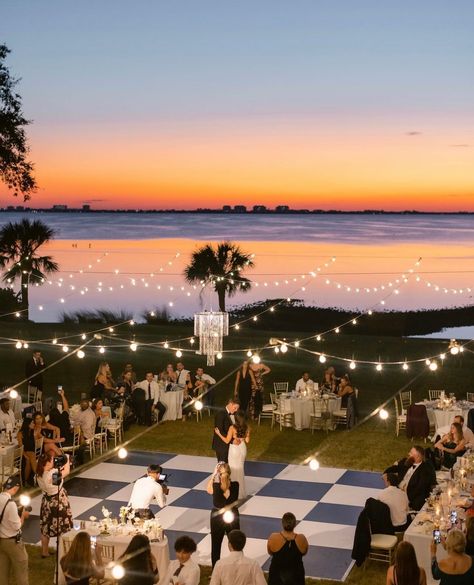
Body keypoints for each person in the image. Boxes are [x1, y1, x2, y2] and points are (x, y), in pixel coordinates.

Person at [36, 452, 73, 557]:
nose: (54, 461)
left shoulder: (39, 473)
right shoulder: (53, 473)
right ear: (47, 463)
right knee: (62, 527)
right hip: (58, 501)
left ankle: (44, 552)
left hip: (46, 502)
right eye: (52, 460)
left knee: (45, 528)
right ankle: (63, 552)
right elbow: (66, 472)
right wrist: (66, 459)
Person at [207, 462, 240, 567]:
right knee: (236, 544)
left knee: (216, 545)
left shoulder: (215, 486)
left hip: (217, 517)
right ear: (230, 473)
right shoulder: (236, 485)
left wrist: (213, 475)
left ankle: (215, 571)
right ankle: (237, 567)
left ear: (219, 474)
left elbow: (208, 490)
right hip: (233, 515)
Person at [0, 475, 30, 585]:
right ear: (15, 488)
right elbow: (17, 526)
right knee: (21, 572)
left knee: (2, 573)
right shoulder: (11, 504)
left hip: (1, 541)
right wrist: (23, 515)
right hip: (13, 542)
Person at [214, 410, 250, 498]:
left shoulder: (232, 428)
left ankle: (233, 492)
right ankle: (241, 492)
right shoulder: (247, 427)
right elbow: (247, 441)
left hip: (234, 450)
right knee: (240, 469)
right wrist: (243, 438)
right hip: (242, 448)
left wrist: (219, 434)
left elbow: (227, 441)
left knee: (233, 470)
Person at [267, 512, 308, 585]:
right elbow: (305, 552)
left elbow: (270, 552)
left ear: (282, 523)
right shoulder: (302, 538)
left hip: (276, 578)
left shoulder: (273, 537)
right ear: (295, 524)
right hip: (296, 578)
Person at [398, 446, 437, 511]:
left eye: (411, 453)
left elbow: (419, 490)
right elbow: (397, 469)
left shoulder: (425, 471)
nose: (408, 454)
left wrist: (405, 499)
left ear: (417, 457)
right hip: (399, 491)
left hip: (411, 498)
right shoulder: (407, 462)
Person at [212, 398, 240, 462]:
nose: (236, 410)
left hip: (229, 445)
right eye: (235, 408)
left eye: (237, 408)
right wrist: (232, 441)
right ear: (230, 404)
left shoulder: (234, 414)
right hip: (221, 445)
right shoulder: (220, 414)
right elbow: (219, 430)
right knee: (223, 466)